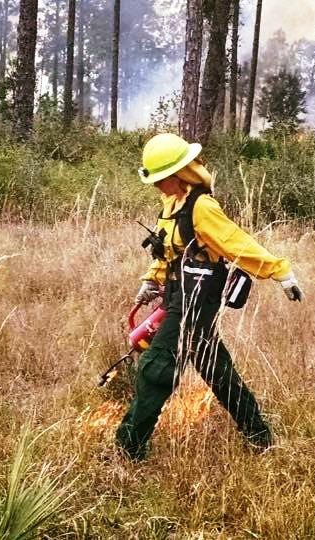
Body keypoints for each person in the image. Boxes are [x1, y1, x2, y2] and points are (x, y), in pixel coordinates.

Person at [115, 133, 303, 461]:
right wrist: (151, 280)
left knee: (155, 368)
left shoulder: (202, 206)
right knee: (217, 369)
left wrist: (280, 272)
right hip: (177, 295)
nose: (157, 186)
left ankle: (128, 449)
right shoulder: (171, 205)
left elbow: (237, 242)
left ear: (180, 174)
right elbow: (168, 251)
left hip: (197, 300)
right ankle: (261, 438)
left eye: (162, 179)